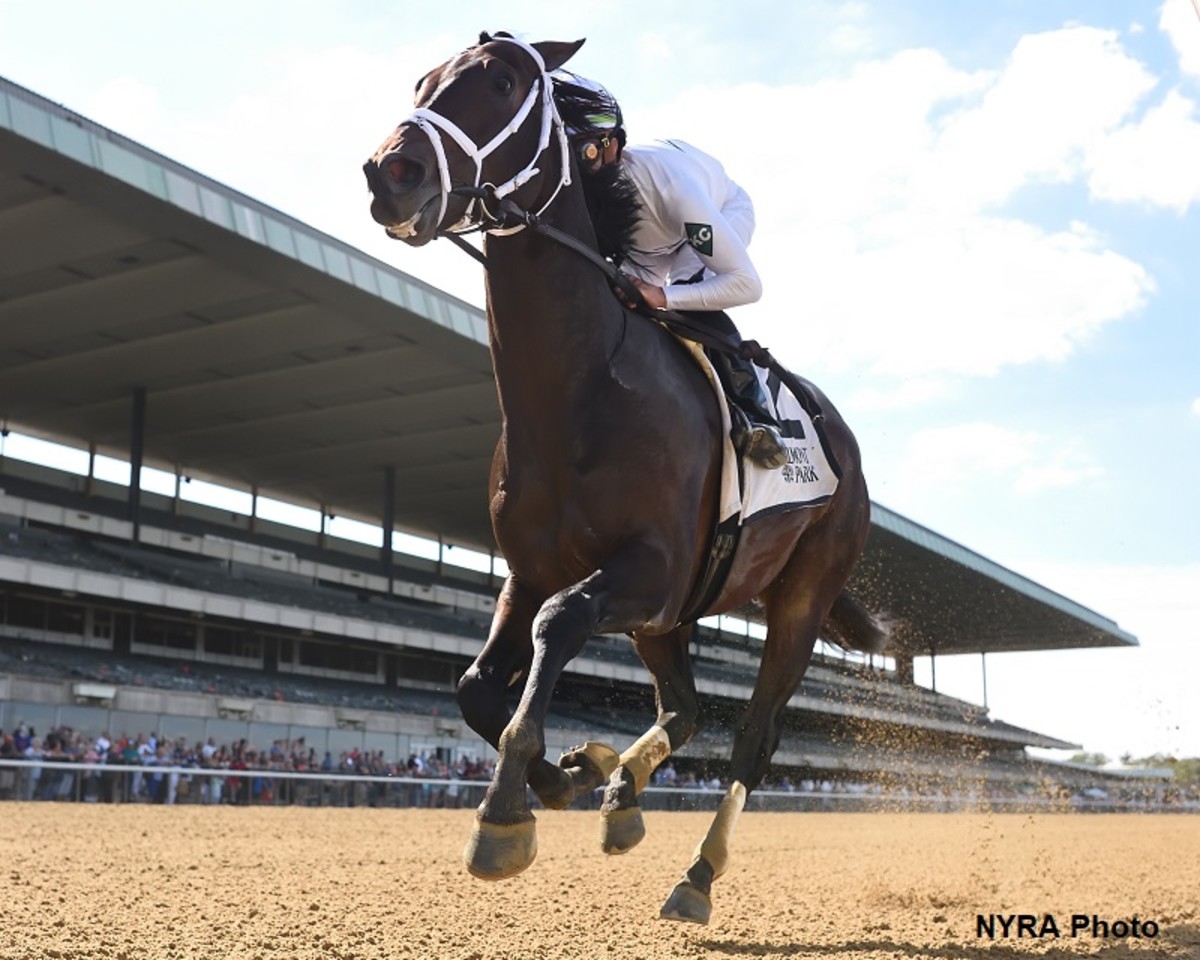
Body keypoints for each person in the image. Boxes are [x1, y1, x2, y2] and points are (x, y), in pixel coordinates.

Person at [555, 73, 788, 469]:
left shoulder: (674, 190)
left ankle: (759, 416)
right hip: (650, 243)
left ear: (611, 145)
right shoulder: (593, 181)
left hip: (714, 213)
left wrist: (663, 296)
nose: (579, 169)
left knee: (687, 290)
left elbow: (747, 285)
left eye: (586, 154)